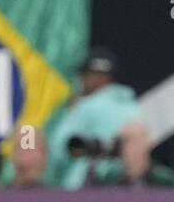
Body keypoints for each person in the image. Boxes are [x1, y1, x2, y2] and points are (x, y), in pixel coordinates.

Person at [47, 47, 141, 188]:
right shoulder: (133, 107)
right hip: (123, 187)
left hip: (84, 188)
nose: (80, 81)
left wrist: (71, 112)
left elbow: (58, 151)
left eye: (83, 76)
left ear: (98, 78)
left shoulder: (85, 106)